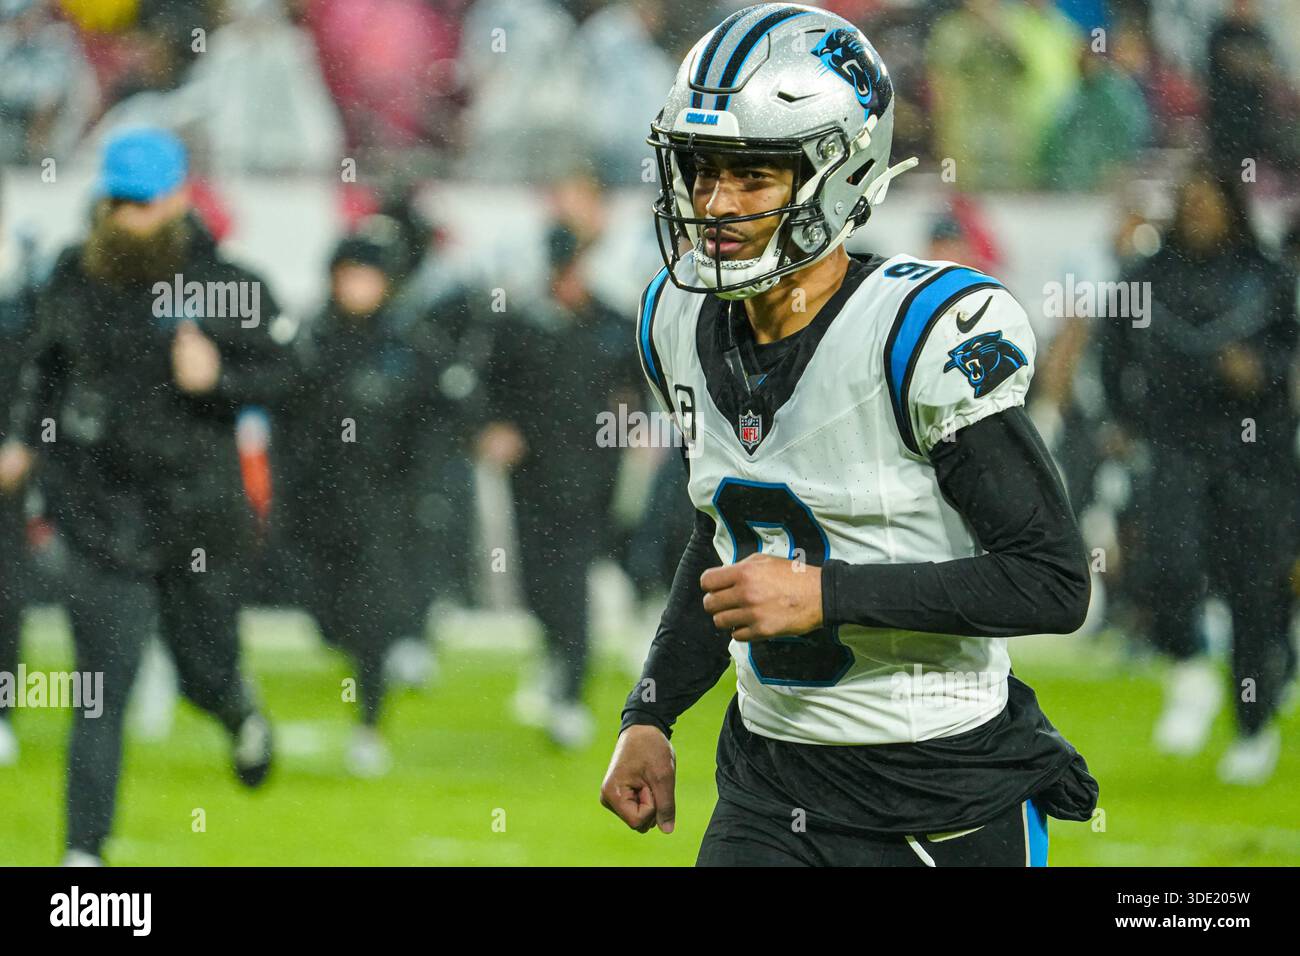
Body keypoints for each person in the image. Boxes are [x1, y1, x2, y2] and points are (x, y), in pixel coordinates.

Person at [599, 4, 1097, 867]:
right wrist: (651, 710)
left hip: (943, 790)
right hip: (770, 784)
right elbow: (723, 538)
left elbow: (1051, 582)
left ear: (838, 174)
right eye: (700, 171)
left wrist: (827, 595)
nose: (713, 205)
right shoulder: (674, 320)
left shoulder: (916, 336)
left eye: (751, 177)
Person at [0, 127, 290, 864]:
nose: (129, 215)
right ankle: (82, 856)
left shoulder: (226, 285)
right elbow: (42, 371)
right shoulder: (73, 276)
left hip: (196, 512)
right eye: (119, 200)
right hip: (101, 515)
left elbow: (291, 377)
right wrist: (23, 442)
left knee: (202, 670)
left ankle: (236, 710)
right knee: (101, 688)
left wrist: (217, 378)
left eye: (143, 200)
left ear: (177, 196)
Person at [1099, 163, 1299, 784]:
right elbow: (1112, 350)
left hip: (1256, 457)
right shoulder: (1147, 276)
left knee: (1255, 596)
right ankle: (1187, 670)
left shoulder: (1267, 277)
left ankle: (1253, 725)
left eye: (1211, 203)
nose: (1199, 214)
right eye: (1190, 203)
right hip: (1176, 446)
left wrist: (1260, 370)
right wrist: (1124, 417)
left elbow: (1289, 349)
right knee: (1168, 566)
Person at [481, 223, 643, 750]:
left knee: (571, 584)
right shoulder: (519, 325)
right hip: (532, 478)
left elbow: (638, 387)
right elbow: (487, 388)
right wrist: (494, 428)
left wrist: (628, 422)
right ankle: (555, 660)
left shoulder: (613, 324)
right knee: (537, 583)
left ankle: (570, 693)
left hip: (592, 479)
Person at [282, 231, 436, 777]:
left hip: (382, 503)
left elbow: (430, 422)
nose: (358, 286)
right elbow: (287, 419)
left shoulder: (406, 343)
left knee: (372, 620)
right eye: (350, 274)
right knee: (323, 615)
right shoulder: (309, 339)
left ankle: (370, 725)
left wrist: (421, 493)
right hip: (317, 503)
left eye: (369, 276)